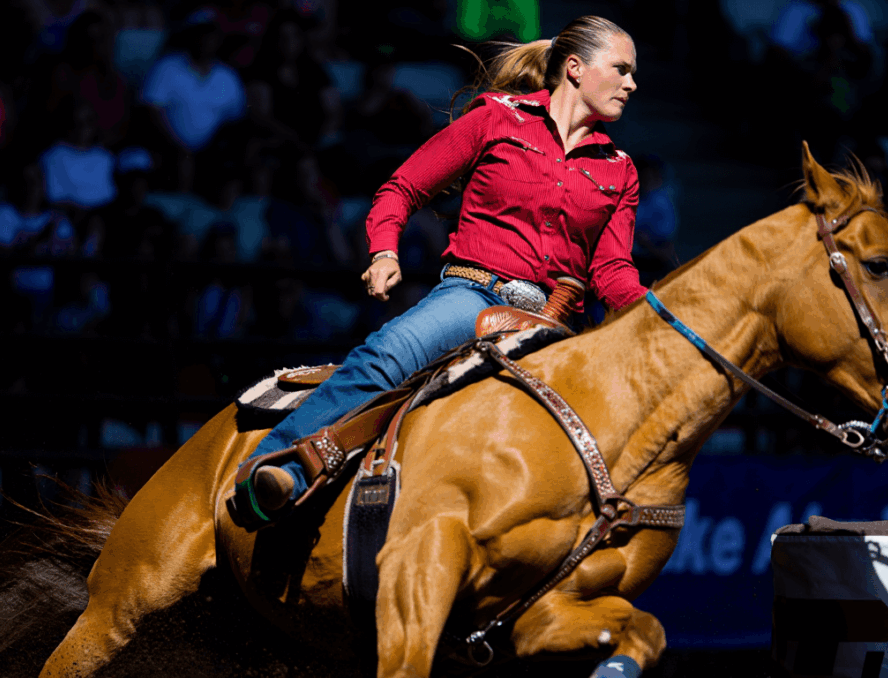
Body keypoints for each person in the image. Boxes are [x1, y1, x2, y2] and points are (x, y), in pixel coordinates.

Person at [228, 15, 646, 530]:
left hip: (556, 323)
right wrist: (384, 251)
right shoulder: (496, 118)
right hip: (474, 297)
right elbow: (402, 189)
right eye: (622, 69)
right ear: (576, 69)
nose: (632, 84)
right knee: (385, 357)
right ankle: (272, 470)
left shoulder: (620, 169)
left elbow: (612, 270)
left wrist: (657, 313)